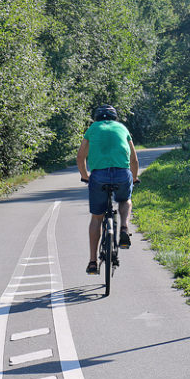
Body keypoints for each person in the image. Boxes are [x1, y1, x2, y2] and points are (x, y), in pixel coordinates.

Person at [76, 104, 140, 275]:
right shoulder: (122, 128)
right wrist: (133, 178)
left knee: (97, 218)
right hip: (122, 174)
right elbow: (134, 160)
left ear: (97, 117)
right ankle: (124, 228)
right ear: (114, 117)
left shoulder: (92, 129)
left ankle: (92, 262)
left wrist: (85, 176)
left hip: (99, 176)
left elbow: (80, 156)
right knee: (125, 199)